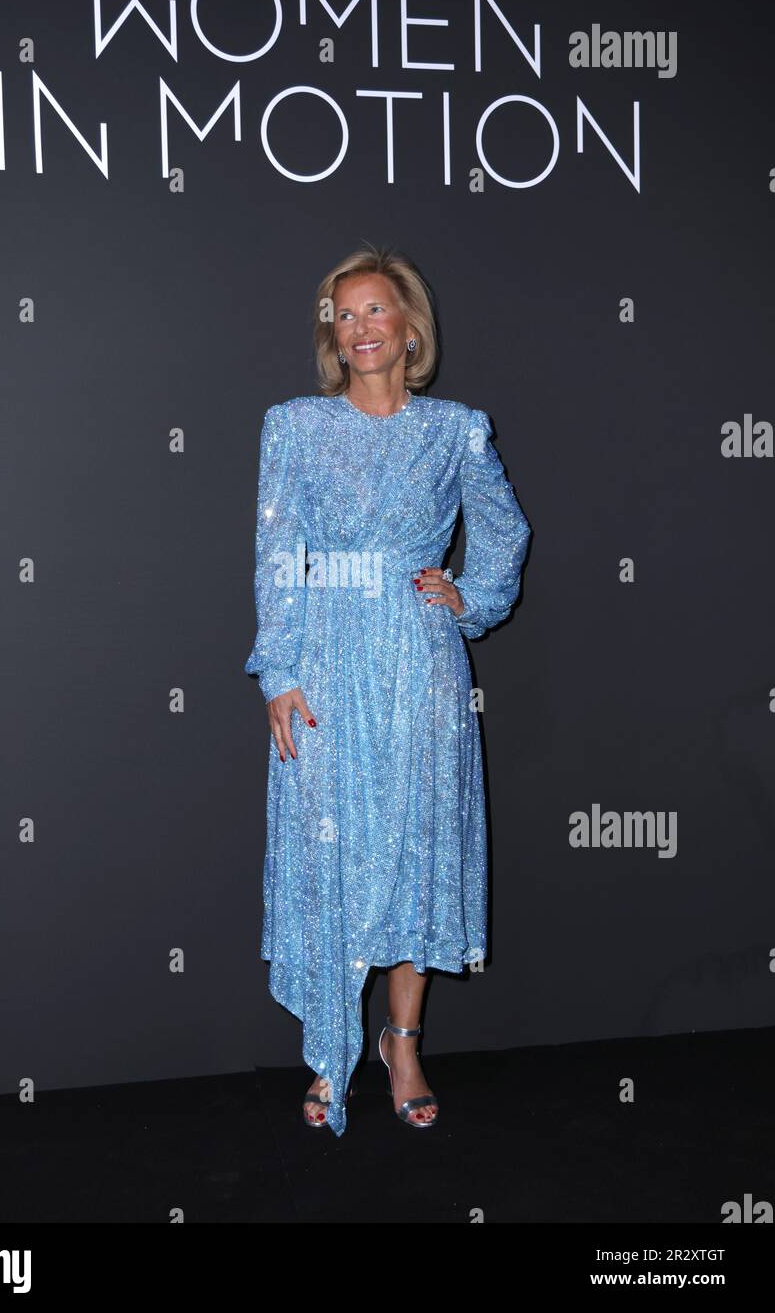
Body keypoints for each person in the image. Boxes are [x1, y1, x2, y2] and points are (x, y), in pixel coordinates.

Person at [244, 245, 531, 1137]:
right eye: (343, 314)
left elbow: (504, 530)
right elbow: (277, 556)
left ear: (409, 328)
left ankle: (400, 1044)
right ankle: (332, 1048)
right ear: (331, 334)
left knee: (412, 856)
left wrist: (469, 597)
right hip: (325, 657)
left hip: (419, 666)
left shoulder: (457, 430)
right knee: (328, 859)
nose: (359, 328)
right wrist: (279, 673)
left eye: (375, 311)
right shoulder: (292, 426)